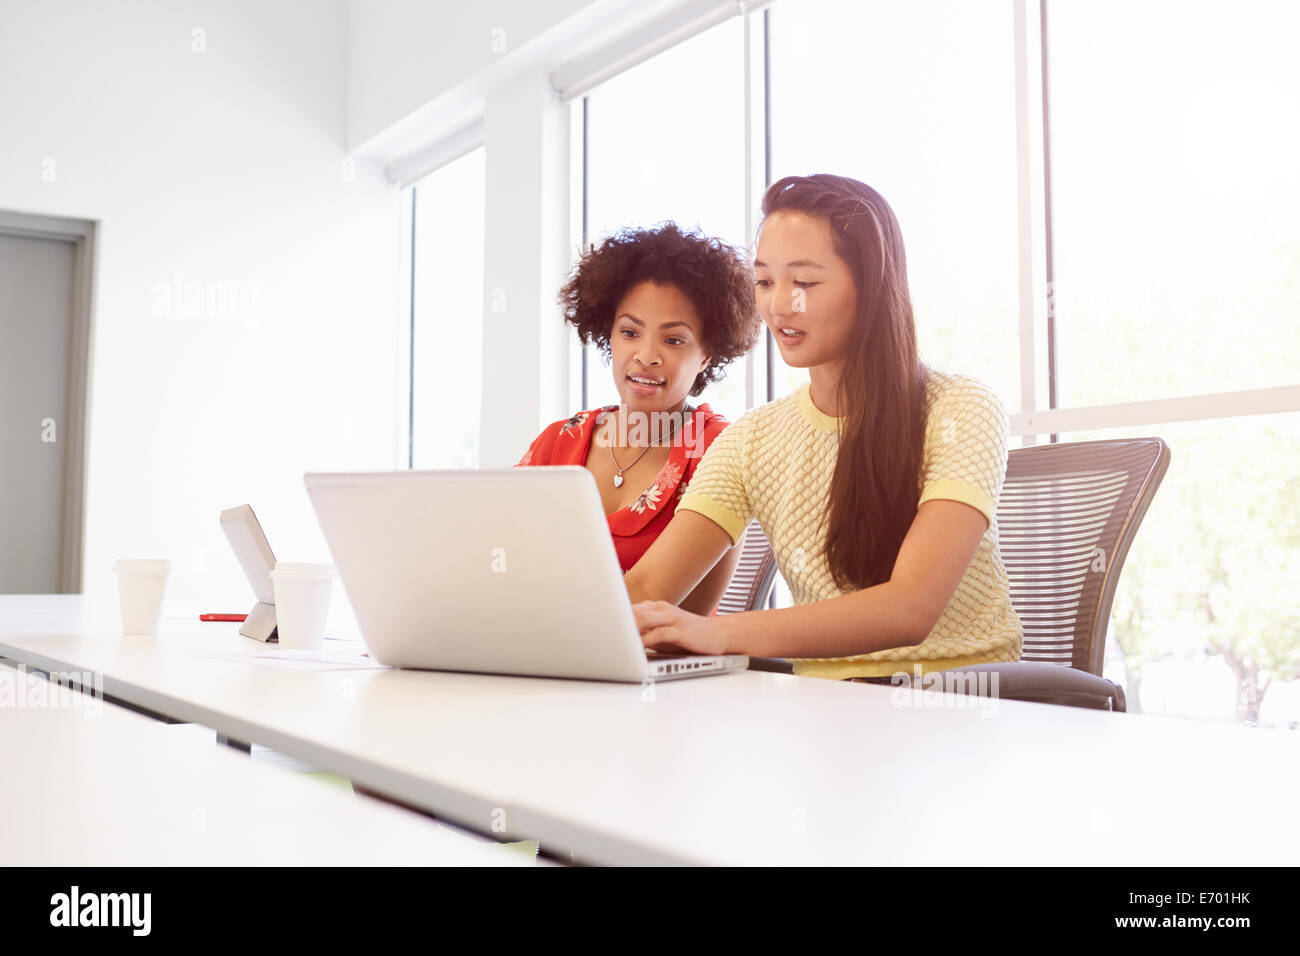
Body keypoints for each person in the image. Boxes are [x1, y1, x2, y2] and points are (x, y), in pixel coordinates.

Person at [626, 174, 1024, 681]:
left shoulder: (960, 408)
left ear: (873, 285)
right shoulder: (752, 440)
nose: (777, 305)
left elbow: (910, 608)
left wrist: (719, 633)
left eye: (805, 283)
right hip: (824, 713)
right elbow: (645, 589)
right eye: (765, 281)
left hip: (956, 703)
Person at [517, 222, 762, 616]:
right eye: (630, 332)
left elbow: (656, 601)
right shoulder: (557, 442)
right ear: (608, 336)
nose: (646, 355)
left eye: (673, 340)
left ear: (706, 354)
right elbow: (495, 559)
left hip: (662, 672)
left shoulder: (718, 451)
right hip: (544, 658)